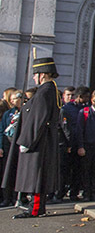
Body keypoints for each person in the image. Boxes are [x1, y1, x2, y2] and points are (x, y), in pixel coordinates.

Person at [5, 58, 61, 218]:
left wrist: (27, 141)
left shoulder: (44, 92)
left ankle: (35, 209)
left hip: (39, 141)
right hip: (42, 139)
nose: (34, 78)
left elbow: (38, 119)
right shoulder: (49, 90)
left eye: (36, 74)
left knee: (36, 176)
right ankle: (37, 207)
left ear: (42, 74)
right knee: (37, 175)